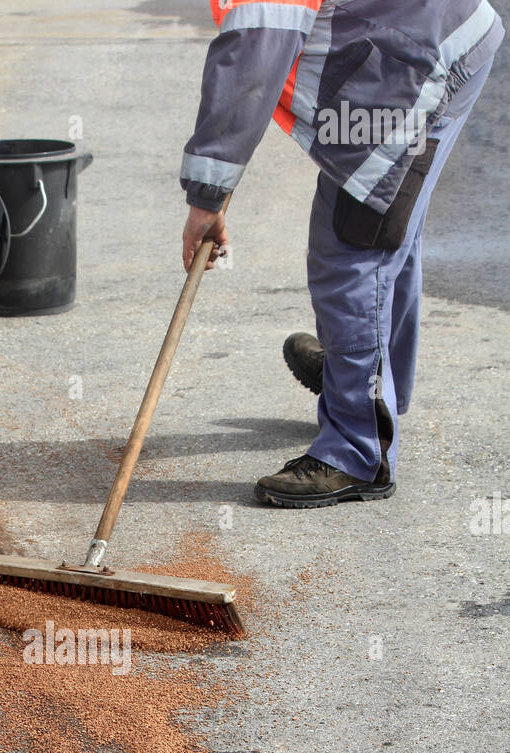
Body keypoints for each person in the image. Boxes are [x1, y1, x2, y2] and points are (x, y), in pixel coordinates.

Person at [180, 0, 504, 507]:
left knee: (354, 251)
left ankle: (357, 450)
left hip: (411, 61)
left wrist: (208, 197)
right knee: (389, 233)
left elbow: (250, 66)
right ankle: (371, 382)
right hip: (443, 34)